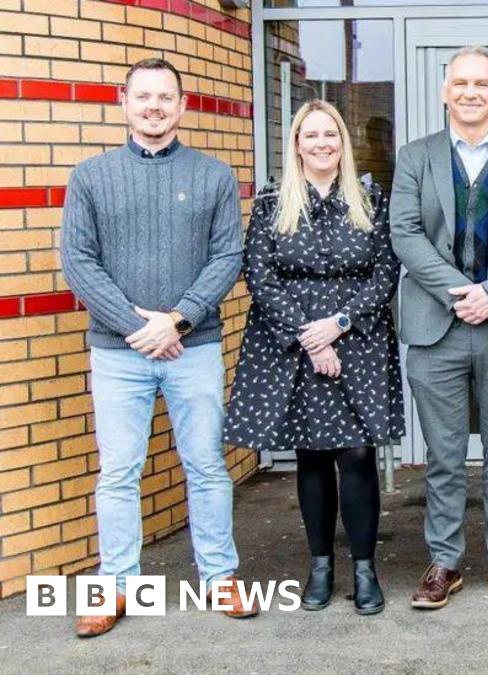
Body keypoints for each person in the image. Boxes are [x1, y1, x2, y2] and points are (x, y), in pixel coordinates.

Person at [61, 58, 256, 637]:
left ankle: (220, 576)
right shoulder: (90, 177)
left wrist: (177, 320)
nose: (154, 107)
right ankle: (116, 586)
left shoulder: (214, 176)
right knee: (119, 472)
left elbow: (227, 258)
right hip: (118, 354)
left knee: (205, 467)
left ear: (182, 104)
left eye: (165, 97)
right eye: (143, 96)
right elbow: (79, 262)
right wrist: (136, 327)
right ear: (124, 102)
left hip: (192, 349)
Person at [224, 100, 403, 616]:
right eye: (311, 135)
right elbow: (258, 274)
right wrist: (311, 336)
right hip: (294, 343)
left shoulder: (369, 198)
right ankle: (320, 566)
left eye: (331, 135)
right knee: (313, 455)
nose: (322, 143)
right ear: (296, 143)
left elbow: (385, 273)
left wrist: (339, 324)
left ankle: (365, 570)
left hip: (359, 341)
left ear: (343, 143)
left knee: (358, 454)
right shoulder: (272, 202)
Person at [390, 46, 488, 609]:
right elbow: (404, 233)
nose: (471, 92)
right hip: (437, 324)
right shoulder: (415, 156)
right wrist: (459, 292)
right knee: (444, 455)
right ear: (444, 92)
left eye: (482, 83)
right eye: (460, 82)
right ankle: (445, 563)